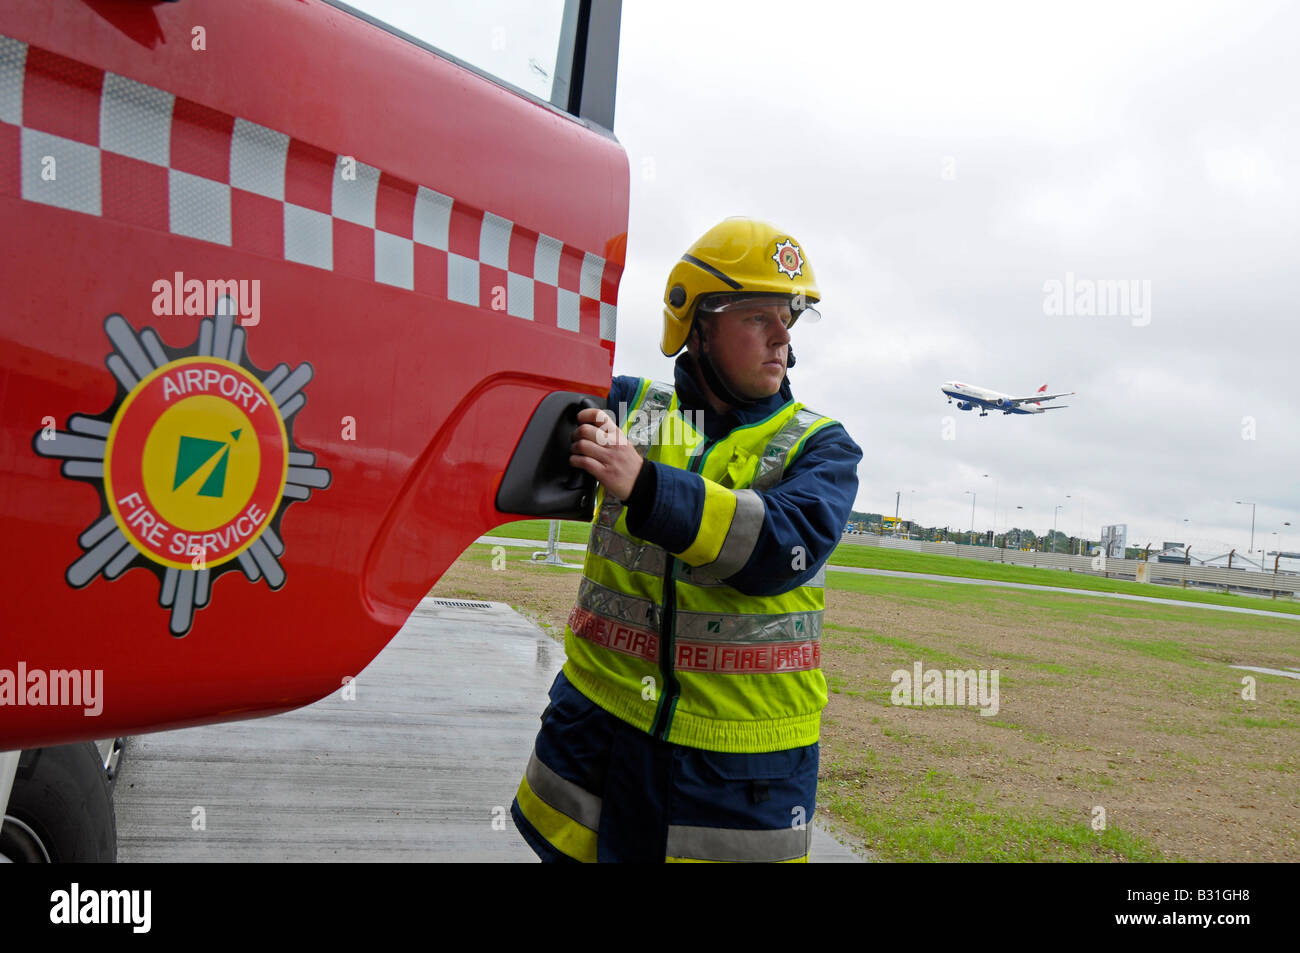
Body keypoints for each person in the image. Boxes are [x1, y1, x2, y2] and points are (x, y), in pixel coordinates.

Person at [510, 217, 862, 862]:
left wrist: (643, 485)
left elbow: (777, 549)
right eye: (759, 315)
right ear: (696, 325)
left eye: (790, 314)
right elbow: (517, 388)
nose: (784, 335)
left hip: (738, 767)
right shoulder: (627, 408)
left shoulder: (823, 447)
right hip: (598, 728)